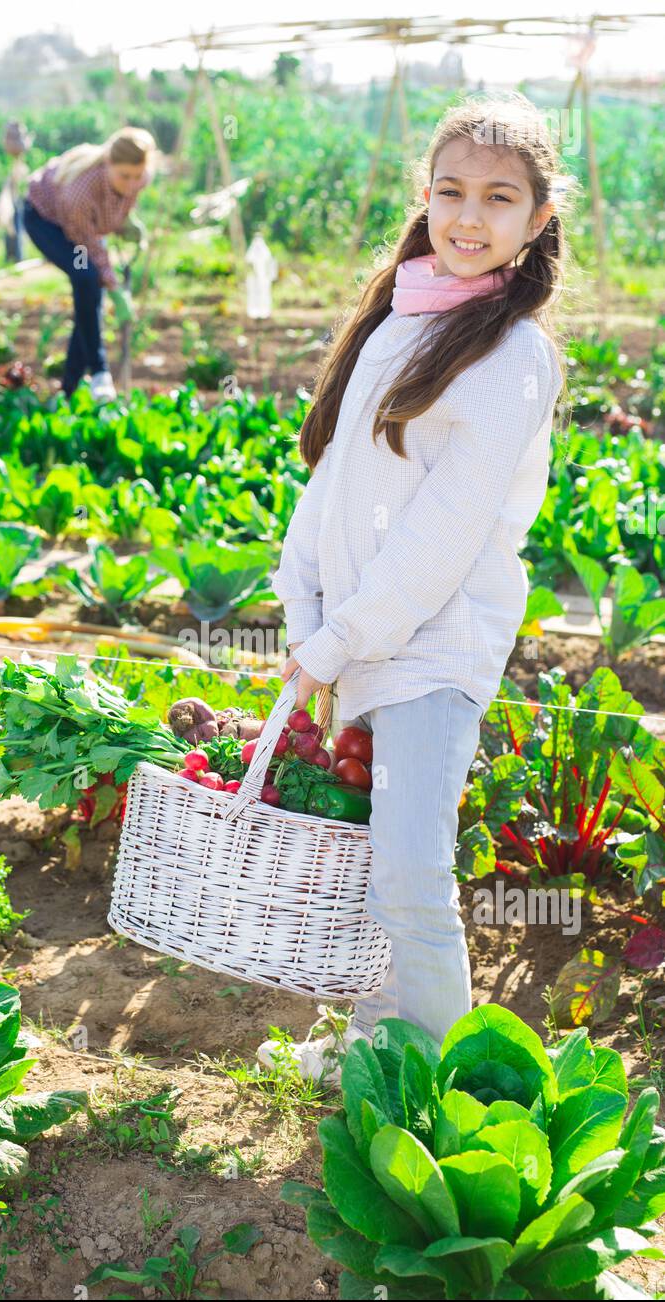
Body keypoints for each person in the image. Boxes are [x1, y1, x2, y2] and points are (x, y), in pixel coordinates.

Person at [257, 93, 571, 1085]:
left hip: (430, 653)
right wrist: (302, 609)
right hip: (361, 642)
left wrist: (338, 635)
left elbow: (445, 532)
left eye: (497, 198)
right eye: (449, 192)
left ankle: (456, 1092)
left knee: (409, 871)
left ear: (535, 219)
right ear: (423, 197)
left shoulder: (513, 352)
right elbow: (334, 477)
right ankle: (375, 1047)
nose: (467, 217)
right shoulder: (405, 311)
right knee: (371, 866)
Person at [23, 126, 154, 403]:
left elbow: (119, 205)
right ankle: (99, 372)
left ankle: (69, 391)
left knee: (89, 293)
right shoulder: (79, 193)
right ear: (109, 164)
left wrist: (125, 221)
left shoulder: (140, 178)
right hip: (45, 219)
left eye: (137, 176)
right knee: (87, 278)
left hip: (82, 226)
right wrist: (116, 289)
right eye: (125, 176)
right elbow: (88, 246)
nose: (132, 184)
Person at [0, 120, 33, 263]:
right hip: (15, 195)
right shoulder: (18, 144)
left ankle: (14, 256)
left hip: (16, 194)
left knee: (13, 225)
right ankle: (17, 256)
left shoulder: (14, 146)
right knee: (14, 224)